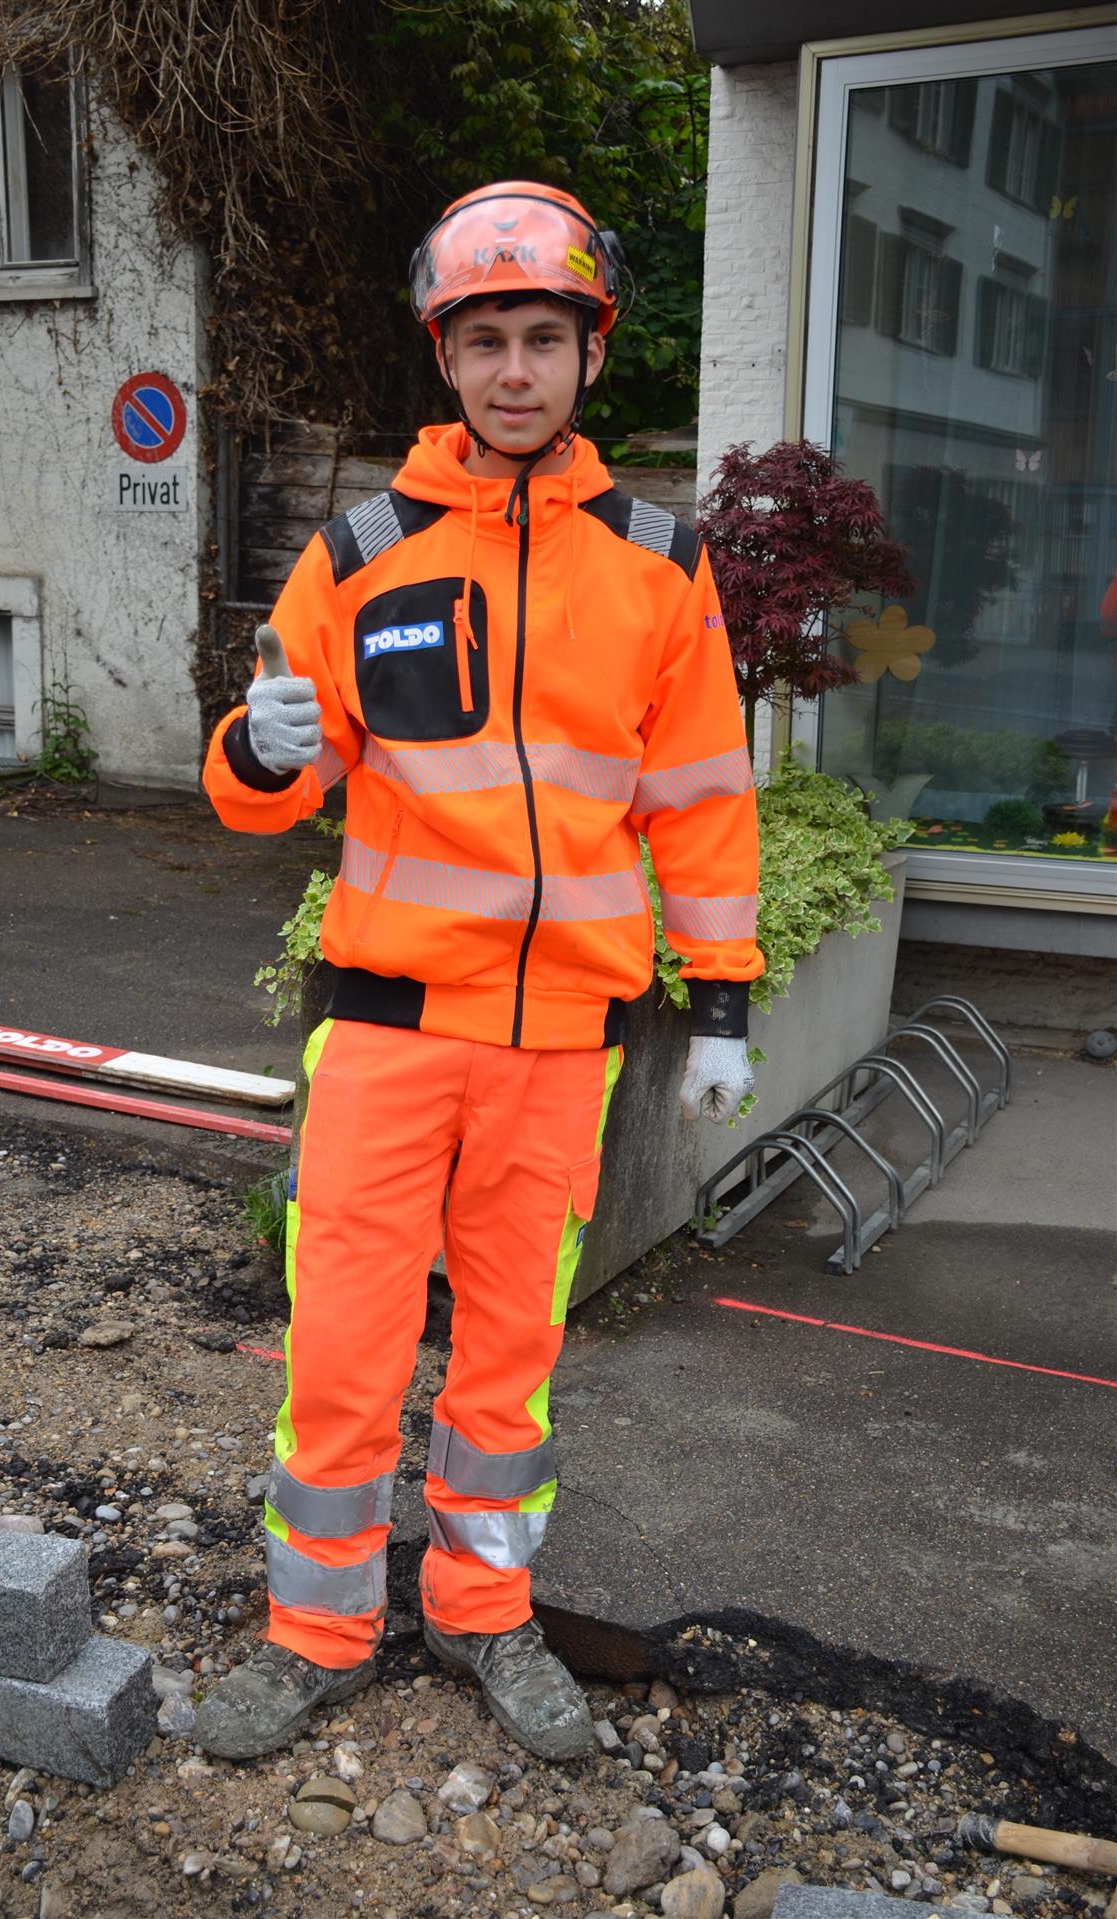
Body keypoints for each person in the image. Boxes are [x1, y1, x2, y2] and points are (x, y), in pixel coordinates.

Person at [195, 182, 764, 1761]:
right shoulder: (363, 550)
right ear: (447, 360)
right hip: (386, 1033)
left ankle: (481, 1616)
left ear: (592, 353)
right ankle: (313, 1631)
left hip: (558, 1049)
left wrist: (721, 990)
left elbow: (702, 795)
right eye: (487, 340)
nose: (517, 369)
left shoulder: (662, 566)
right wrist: (261, 741)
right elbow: (262, 782)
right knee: (345, 1346)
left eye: (546, 338)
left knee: (511, 1355)